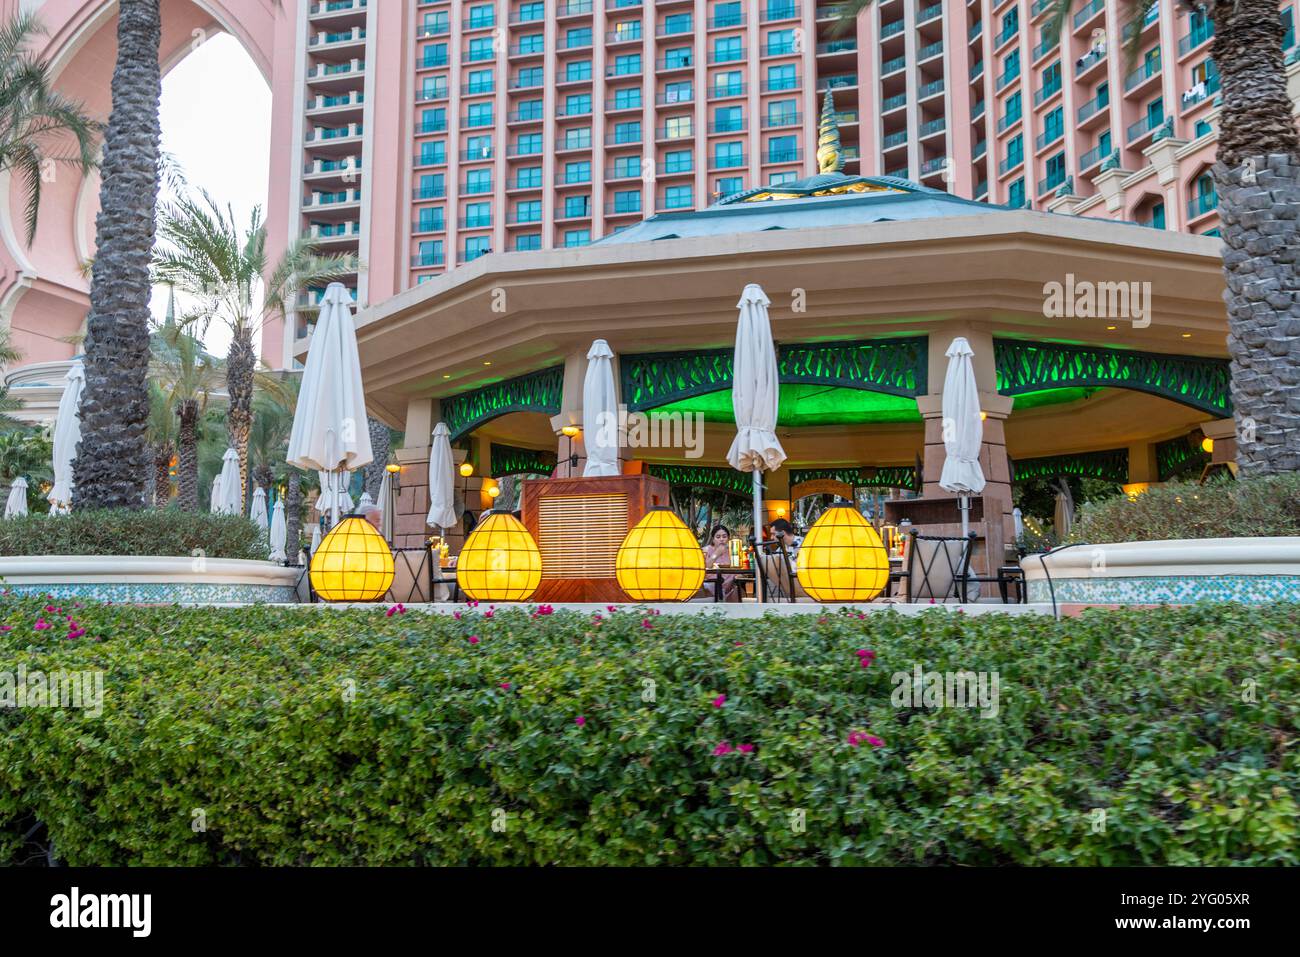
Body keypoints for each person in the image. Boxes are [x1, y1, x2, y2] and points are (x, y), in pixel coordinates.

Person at [701, 524, 740, 601]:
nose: (721, 539)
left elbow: (738, 569)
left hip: (730, 586)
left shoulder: (733, 552)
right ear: (713, 539)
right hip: (711, 585)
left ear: (728, 538)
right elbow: (704, 568)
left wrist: (738, 576)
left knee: (739, 591)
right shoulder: (706, 550)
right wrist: (716, 553)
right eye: (718, 537)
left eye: (724, 537)